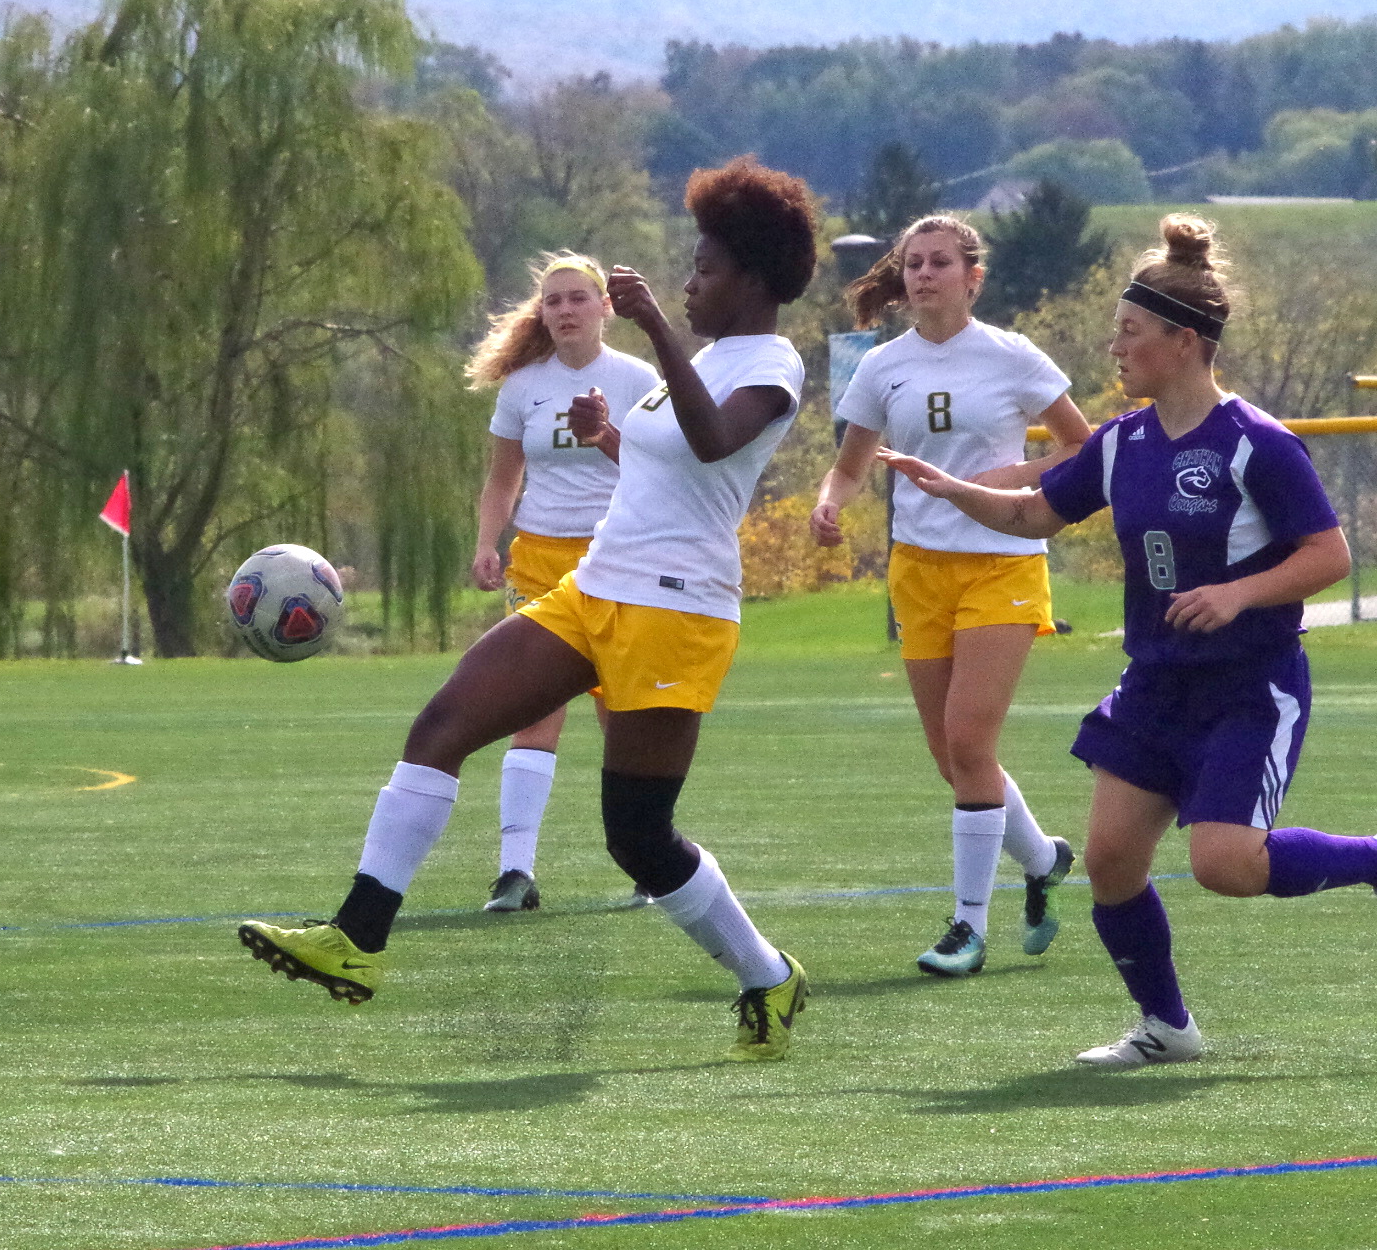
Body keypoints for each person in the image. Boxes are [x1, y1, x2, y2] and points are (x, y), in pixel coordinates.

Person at [240, 156, 823, 1062]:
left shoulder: (772, 361)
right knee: (442, 723)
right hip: (595, 587)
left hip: (677, 611)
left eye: (703, 269)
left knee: (638, 837)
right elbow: (672, 470)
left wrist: (656, 327)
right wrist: (611, 440)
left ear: (751, 277)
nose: (688, 281)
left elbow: (715, 447)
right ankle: (356, 939)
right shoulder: (705, 359)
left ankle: (767, 977)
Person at [878, 214, 1377, 1064]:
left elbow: (1329, 555)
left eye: (1130, 332)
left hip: (1248, 687)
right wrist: (949, 488)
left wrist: (1237, 595)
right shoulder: (1123, 443)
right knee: (1109, 861)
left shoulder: (1257, 444)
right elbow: (1035, 513)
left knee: (1225, 863)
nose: (1115, 347)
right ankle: (1166, 1027)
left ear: (1182, 342)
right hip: (1155, 685)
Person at [811, 214, 1094, 977]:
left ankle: (968, 929)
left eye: (940, 263)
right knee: (951, 757)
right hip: (919, 570)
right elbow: (851, 463)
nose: (923, 275)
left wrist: (1015, 479)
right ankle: (1042, 858)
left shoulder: (1012, 356)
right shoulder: (882, 365)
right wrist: (830, 500)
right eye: (913, 264)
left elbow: (1082, 444)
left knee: (970, 743)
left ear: (974, 275)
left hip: (1001, 561)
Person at [464, 250, 659, 914]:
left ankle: (649, 860)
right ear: (541, 314)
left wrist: (605, 432)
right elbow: (501, 479)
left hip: (619, 560)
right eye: (554, 301)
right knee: (533, 716)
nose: (566, 310)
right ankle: (514, 874)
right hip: (541, 563)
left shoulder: (638, 378)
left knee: (625, 719)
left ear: (606, 308)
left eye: (579, 298)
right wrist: (489, 542)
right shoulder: (523, 387)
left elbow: (665, 471)